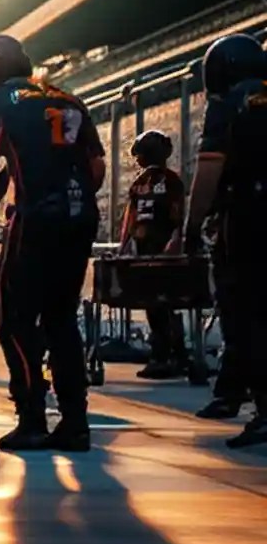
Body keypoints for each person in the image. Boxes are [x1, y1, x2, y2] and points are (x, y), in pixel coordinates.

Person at [0, 33, 106, 452]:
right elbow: (96, 170)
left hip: (36, 219)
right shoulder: (69, 98)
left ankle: (32, 417)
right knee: (61, 320)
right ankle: (76, 422)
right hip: (80, 220)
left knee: (13, 320)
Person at [182, 33, 267, 448]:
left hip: (247, 218)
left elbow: (210, 169)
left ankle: (263, 411)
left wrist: (192, 225)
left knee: (244, 315)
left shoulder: (227, 105)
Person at [119, 130, 187, 379]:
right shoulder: (140, 182)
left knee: (164, 303)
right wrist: (124, 244)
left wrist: (176, 239)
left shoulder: (170, 181)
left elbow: (178, 212)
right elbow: (131, 216)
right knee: (154, 304)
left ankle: (170, 355)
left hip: (162, 248)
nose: (137, 161)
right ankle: (168, 354)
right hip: (144, 248)